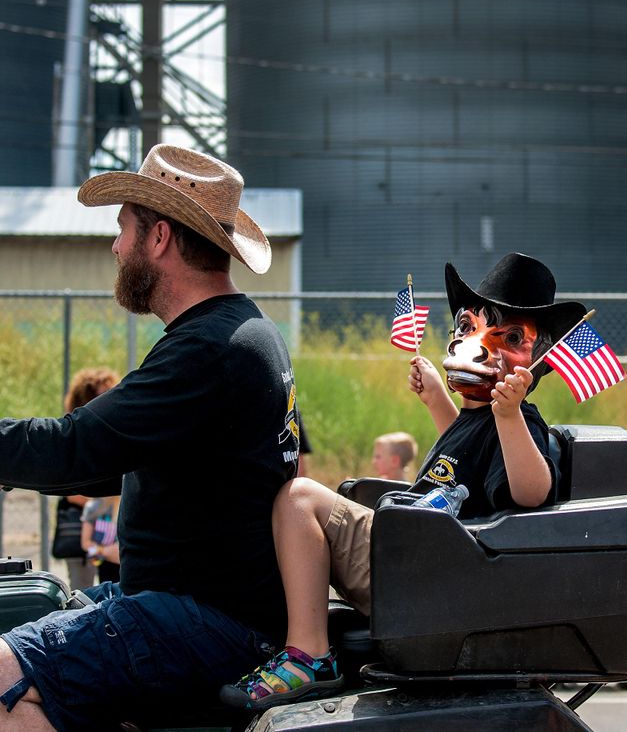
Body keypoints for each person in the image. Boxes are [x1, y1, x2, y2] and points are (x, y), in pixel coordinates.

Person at [0, 145, 304, 730]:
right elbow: (137, 457)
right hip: (198, 607)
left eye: (123, 228)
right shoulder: (241, 331)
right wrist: (7, 470)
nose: (115, 246)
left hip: (204, 619)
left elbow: (71, 444)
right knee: (18, 610)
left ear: (159, 237)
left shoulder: (209, 348)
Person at [220, 252, 587, 710]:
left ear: (538, 357)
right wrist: (436, 400)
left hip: (427, 573)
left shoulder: (516, 422)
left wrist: (510, 414)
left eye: (510, 337)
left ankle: (309, 655)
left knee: (300, 499)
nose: (474, 344)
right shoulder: (476, 422)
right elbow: (462, 466)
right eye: (467, 325)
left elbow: (532, 493)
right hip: (415, 559)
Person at [56, 367, 121, 590]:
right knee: (81, 589)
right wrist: (106, 503)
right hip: (86, 530)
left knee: (114, 585)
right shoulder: (75, 436)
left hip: (108, 529)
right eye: (97, 395)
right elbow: (73, 493)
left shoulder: (115, 436)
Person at [80, 495, 121, 585]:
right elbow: (85, 544)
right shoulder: (93, 506)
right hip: (105, 564)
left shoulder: (129, 503)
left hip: (127, 563)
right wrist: (103, 550)